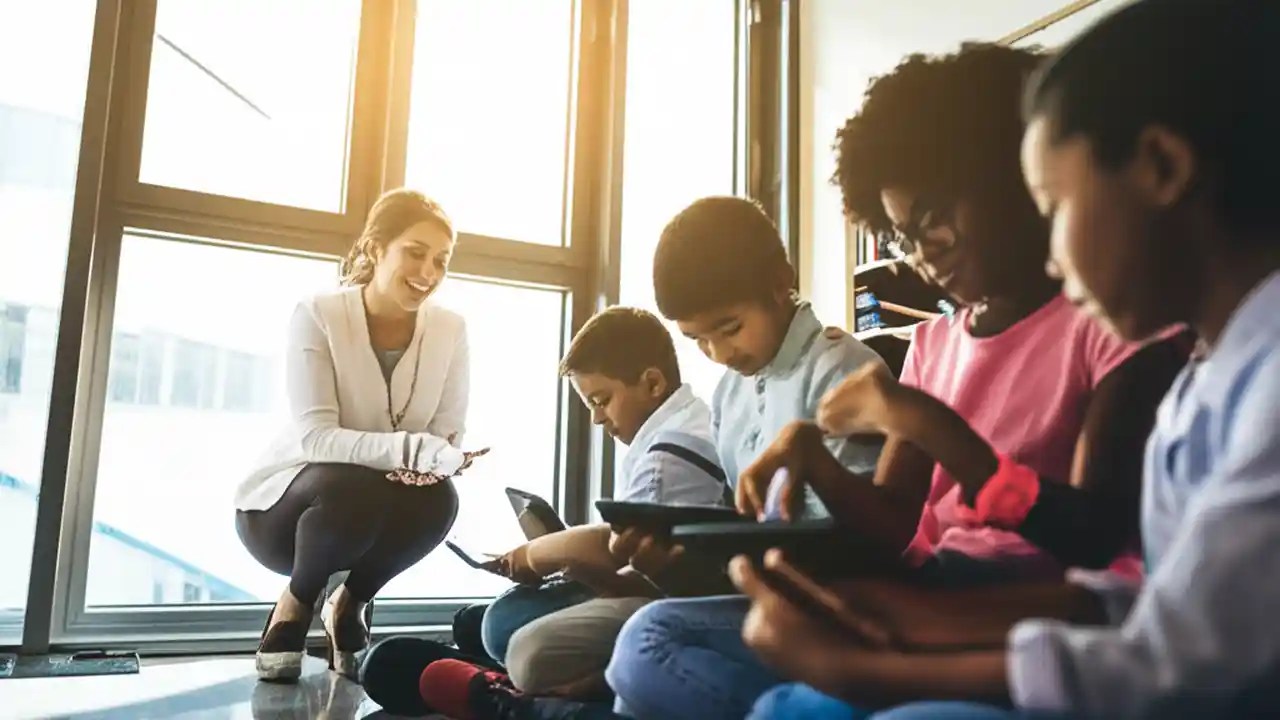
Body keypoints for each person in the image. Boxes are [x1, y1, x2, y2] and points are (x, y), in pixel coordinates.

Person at [604, 43, 1189, 720]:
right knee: (650, 641)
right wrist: (816, 460)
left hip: (1022, 604)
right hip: (926, 588)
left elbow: (1092, 537)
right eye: (904, 234)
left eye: (935, 218)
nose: (923, 253)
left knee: (679, 671)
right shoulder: (936, 342)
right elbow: (893, 523)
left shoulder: (1110, 321)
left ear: (1015, 178)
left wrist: (920, 420)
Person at [742, 1, 1280, 716]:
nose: (1057, 255)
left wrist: (874, 669)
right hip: (981, 595)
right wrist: (907, 620)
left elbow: (1172, 647)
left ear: (1161, 166)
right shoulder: (1206, 384)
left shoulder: (1217, 370)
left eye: (1053, 205)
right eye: (903, 234)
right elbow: (1155, 602)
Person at [409, 196, 886, 719]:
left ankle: (546, 708)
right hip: (748, 594)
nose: (720, 354)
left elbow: (873, 539)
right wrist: (674, 568)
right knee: (616, 638)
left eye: (728, 329)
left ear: (781, 281)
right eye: (698, 340)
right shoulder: (730, 394)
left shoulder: (845, 373)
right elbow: (738, 537)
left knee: (639, 644)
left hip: (824, 605)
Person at [360, 306, 727, 714]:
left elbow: (644, 583)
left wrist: (550, 554)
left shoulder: (668, 456)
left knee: (508, 634)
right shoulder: (679, 427)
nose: (596, 418)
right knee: (487, 620)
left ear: (653, 383)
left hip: (660, 604)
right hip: (649, 595)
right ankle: (492, 671)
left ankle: (508, 690)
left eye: (602, 400)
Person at [234, 189, 485, 682]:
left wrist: (439, 462)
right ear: (375, 249)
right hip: (288, 513)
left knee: (441, 501)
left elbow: (445, 432)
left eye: (441, 260)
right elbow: (318, 439)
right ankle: (296, 601)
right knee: (352, 488)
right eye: (415, 253)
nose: (429, 273)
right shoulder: (319, 314)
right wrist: (415, 452)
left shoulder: (450, 329)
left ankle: (350, 602)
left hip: (377, 513)